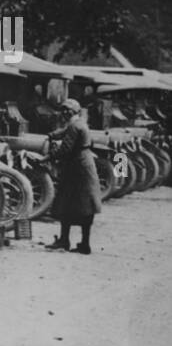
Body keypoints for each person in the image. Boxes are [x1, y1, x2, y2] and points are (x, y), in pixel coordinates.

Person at [45, 98, 102, 254]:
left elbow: (66, 149)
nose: (63, 113)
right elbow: (63, 132)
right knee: (85, 206)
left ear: (73, 111)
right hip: (84, 164)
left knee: (67, 203)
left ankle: (65, 241)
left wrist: (49, 156)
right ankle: (83, 243)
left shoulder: (74, 125)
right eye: (63, 109)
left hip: (77, 168)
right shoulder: (79, 122)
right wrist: (51, 135)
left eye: (66, 110)